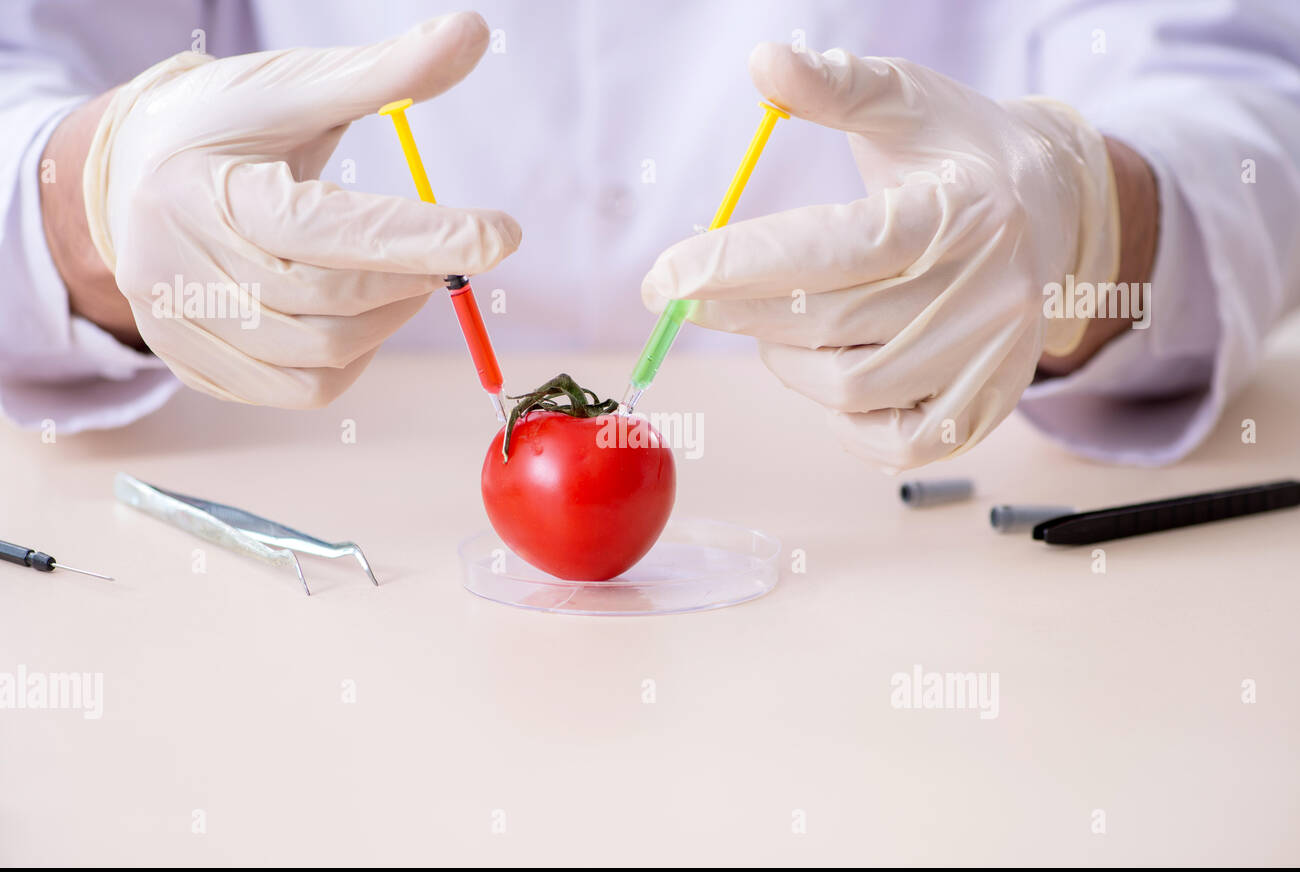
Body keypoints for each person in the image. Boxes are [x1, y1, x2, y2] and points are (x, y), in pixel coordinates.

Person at [2, 1, 1298, 470]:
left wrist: (1094, 228)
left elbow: (1236, 85)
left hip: (917, 491)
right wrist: (85, 193)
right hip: (289, 459)